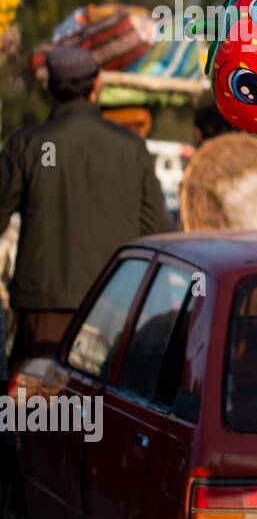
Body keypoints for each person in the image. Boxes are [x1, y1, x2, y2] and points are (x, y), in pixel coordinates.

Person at [0, 47, 169, 366]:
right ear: (96, 88)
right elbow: (156, 230)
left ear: (50, 90)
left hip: (44, 307)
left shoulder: (30, 144)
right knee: (104, 411)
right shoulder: (131, 148)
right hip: (115, 307)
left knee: (41, 409)